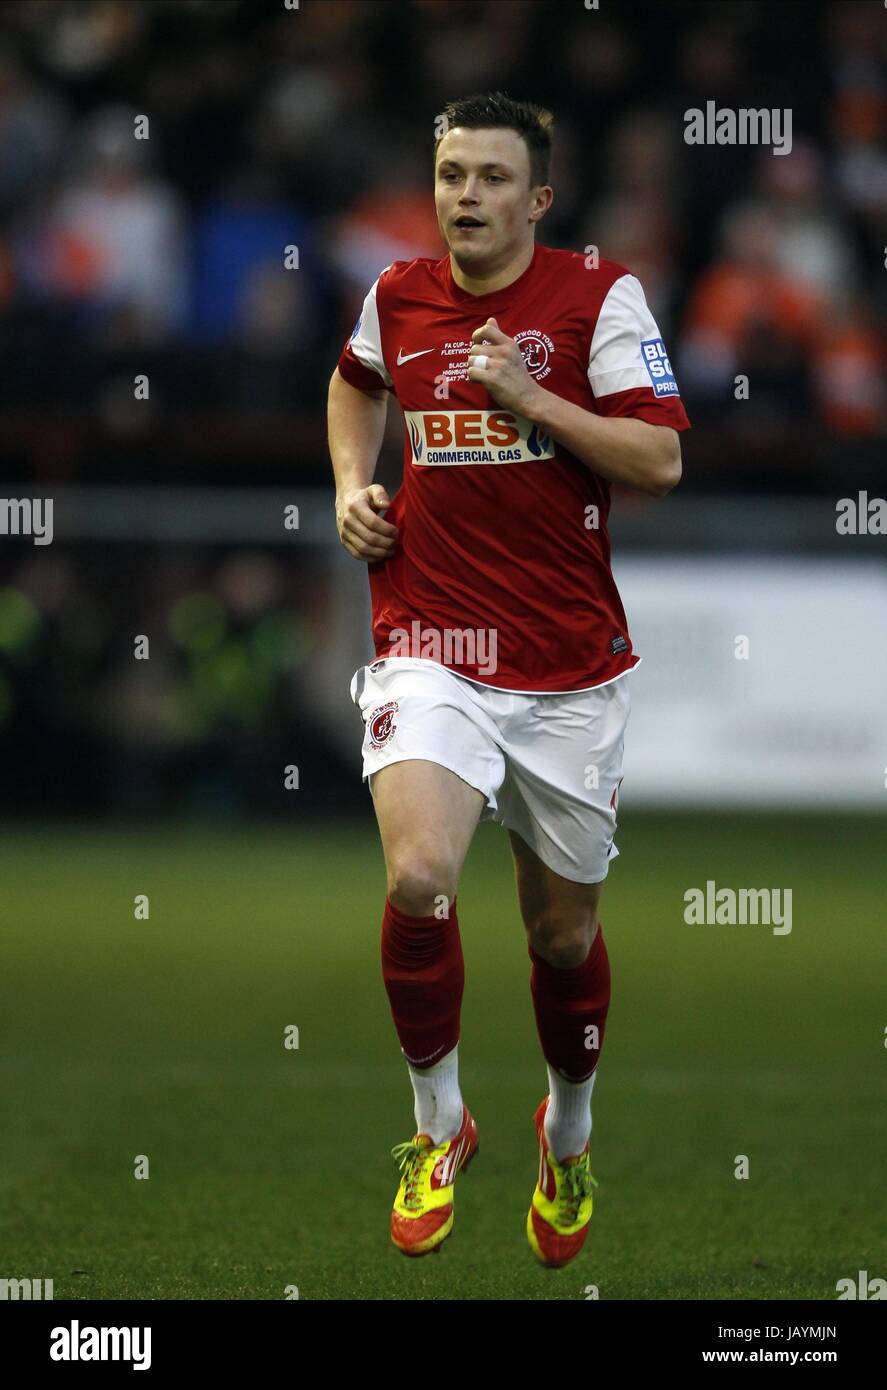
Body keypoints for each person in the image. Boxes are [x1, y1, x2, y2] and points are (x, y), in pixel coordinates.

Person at [327, 91, 689, 1267]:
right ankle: (438, 1128)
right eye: (447, 174)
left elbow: (660, 456)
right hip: (432, 639)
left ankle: (565, 1132)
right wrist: (350, 483)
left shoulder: (597, 298)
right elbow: (354, 382)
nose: (463, 198)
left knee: (560, 940)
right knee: (420, 875)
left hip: (565, 667)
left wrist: (530, 397)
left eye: (489, 178)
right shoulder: (398, 294)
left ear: (536, 199)